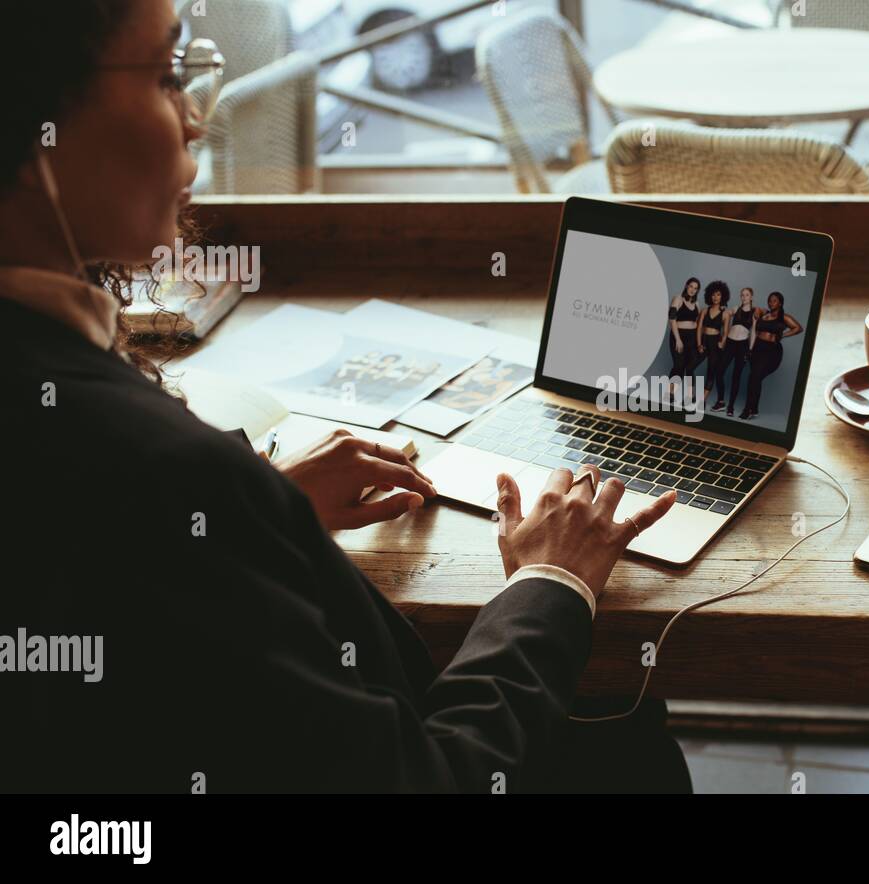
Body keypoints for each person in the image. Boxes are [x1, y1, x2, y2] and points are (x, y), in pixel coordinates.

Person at [0, 0, 689, 793]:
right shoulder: (161, 472)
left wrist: (257, 516)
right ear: (28, 122)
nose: (195, 123)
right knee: (626, 737)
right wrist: (551, 584)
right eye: (163, 76)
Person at [740, 292, 803, 421]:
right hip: (757, 348)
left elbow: (798, 328)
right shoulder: (764, 314)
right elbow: (755, 325)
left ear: (780, 303)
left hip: (771, 352)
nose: (771, 303)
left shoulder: (784, 317)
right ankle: (754, 409)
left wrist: (783, 336)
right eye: (769, 300)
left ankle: (748, 409)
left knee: (754, 378)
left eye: (774, 301)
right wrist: (749, 349)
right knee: (754, 379)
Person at [715, 286, 756, 415]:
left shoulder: (755, 312)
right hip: (730, 343)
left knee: (736, 377)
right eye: (742, 295)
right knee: (719, 371)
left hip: (743, 346)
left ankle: (730, 407)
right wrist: (723, 309)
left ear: (751, 297)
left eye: (747, 295)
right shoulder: (735, 308)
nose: (744, 297)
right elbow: (725, 314)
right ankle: (721, 401)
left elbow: (753, 332)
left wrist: (750, 350)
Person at [697, 280, 730, 409]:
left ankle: (702, 400)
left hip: (715, 344)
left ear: (723, 297)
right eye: (713, 295)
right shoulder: (705, 310)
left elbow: (726, 331)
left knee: (711, 372)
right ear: (709, 296)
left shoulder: (725, 313)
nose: (715, 297)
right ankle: (693, 393)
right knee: (690, 366)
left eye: (718, 295)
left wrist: (722, 342)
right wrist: (699, 344)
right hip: (704, 341)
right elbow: (699, 327)